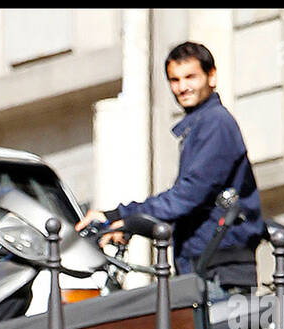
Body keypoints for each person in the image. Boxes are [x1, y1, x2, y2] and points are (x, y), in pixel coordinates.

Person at [76, 41, 266, 292]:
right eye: (175, 80)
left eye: (190, 77)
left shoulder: (216, 123)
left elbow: (188, 196)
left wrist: (120, 216)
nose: (182, 87)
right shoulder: (199, 125)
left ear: (211, 76)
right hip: (204, 264)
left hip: (220, 269)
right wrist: (128, 224)